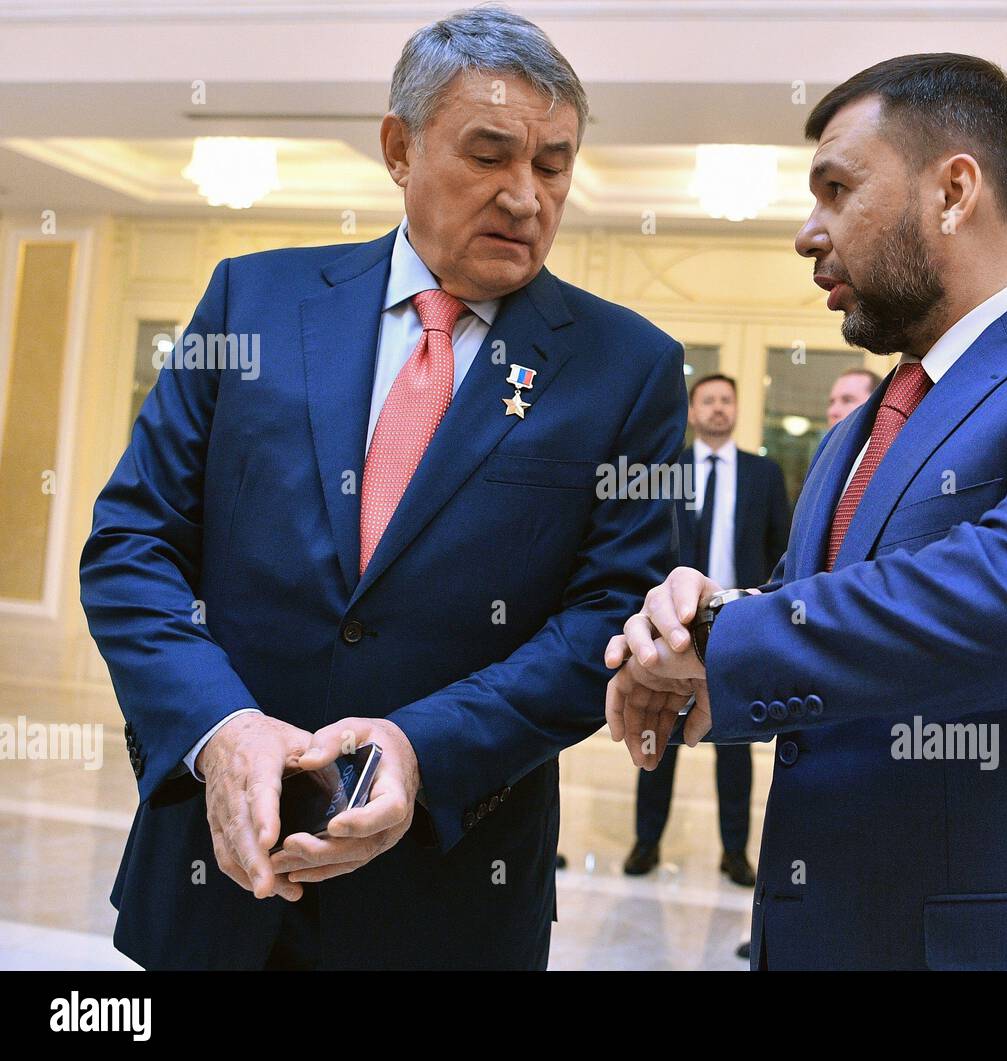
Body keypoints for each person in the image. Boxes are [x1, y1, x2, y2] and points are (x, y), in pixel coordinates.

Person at [79, 8, 685, 971]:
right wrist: (217, 727)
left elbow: (608, 614)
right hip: (217, 877)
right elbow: (133, 544)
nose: (526, 197)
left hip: (452, 894)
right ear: (400, 148)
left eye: (554, 164)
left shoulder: (630, 368)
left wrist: (419, 747)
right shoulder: (252, 303)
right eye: (489, 154)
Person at [604, 53, 1007, 970]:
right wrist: (694, 639)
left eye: (836, 188)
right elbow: (825, 622)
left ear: (954, 189)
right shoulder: (857, 429)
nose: (806, 233)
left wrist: (729, 634)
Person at [624, 374, 791, 886]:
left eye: (726, 401)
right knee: (659, 734)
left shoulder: (762, 472)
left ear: (736, 410)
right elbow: (645, 543)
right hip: (671, 622)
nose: (718, 409)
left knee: (733, 744)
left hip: (737, 625)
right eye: (708, 401)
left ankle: (735, 851)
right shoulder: (668, 470)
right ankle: (646, 842)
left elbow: (779, 546)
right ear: (693, 410)